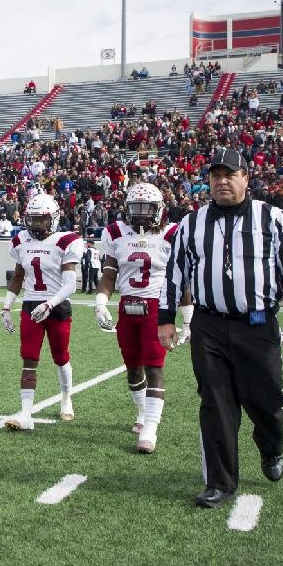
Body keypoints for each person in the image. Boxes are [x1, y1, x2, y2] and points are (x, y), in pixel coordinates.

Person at [158, 148, 283, 508]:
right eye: (216, 176)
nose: (222, 181)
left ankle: (271, 448)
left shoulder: (272, 219)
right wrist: (165, 319)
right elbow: (174, 274)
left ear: (246, 178)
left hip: (258, 324)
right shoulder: (191, 224)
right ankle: (220, 482)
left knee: (267, 401)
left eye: (230, 175)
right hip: (209, 324)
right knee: (215, 402)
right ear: (208, 181)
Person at [95, 182, 194, 454]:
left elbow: (181, 280)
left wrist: (187, 319)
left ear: (159, 208)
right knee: (133, 369)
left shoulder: (172, 234)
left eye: (146, 208)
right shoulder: (116, 233)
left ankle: (151, 427)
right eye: (134, 208)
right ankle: (142, 412)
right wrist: (101, 302)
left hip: (157, 308)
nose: (139, 214)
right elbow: (109, 274)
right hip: (127, 306)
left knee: (154, 368)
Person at [0, 194, 84, 431]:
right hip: (30, 306)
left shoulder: (65, 241)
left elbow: (70, 284)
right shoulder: (20, 241)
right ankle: (26, 414)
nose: (36, 225)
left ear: (54, 218)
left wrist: (49, 304)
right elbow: (18, 277)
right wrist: (7, 306)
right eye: (33, 220)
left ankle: (66, 399)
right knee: (29, 357)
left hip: (56, 307)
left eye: (42, 220)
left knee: (61, 356)